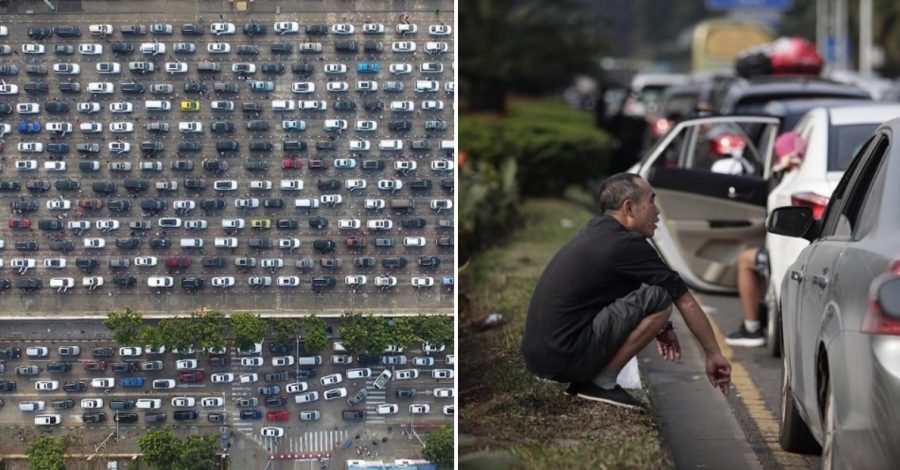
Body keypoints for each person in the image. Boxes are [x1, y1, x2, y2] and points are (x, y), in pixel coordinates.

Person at [522, 173, 732, 408]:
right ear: (629, 207)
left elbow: (622, 289)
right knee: (661, 297)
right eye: (651, 201)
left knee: (654, 294)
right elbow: (684, 300)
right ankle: (602, 383)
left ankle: (595, 378)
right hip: (564, 357)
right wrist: (714, 355)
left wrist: (663, 326)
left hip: (541, 356)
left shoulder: (597, 231)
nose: (657, 211)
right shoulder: (627, 245)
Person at [725, 131, 806, 347]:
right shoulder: (801, 174)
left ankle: (752, 328)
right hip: (795, 252)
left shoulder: (791, 180)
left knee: (745, 259)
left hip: (788, 255)